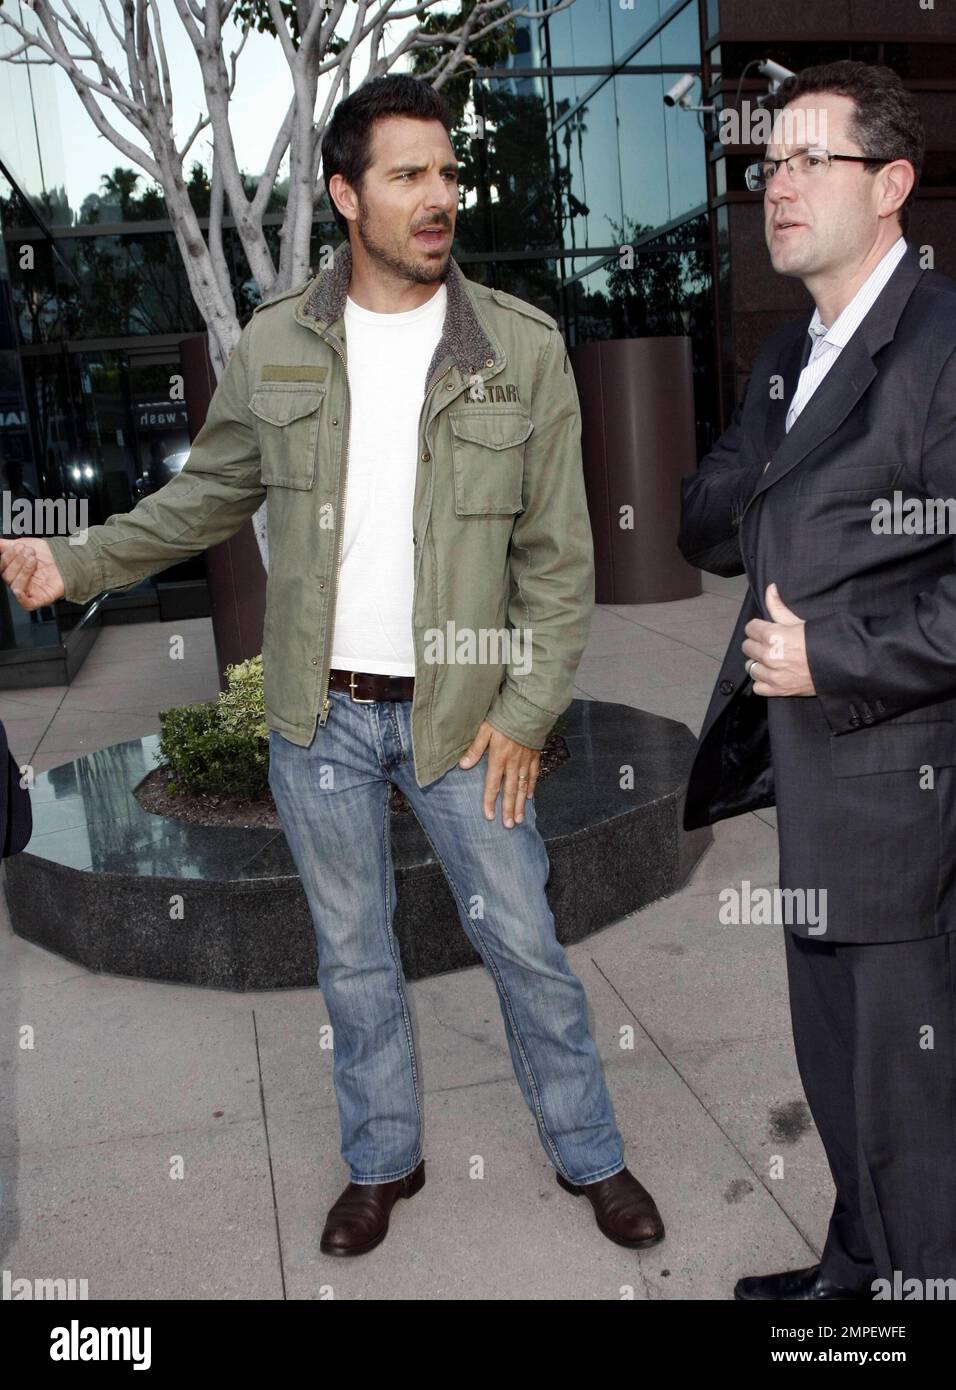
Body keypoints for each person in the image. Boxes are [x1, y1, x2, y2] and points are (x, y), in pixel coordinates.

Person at [0, 74, 663, 1260]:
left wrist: (525, 712)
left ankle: (590, 1151)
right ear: (347, 196)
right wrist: (79, 560)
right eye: (408, 176)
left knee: (522, 940)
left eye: (448, 173)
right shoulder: (277, 344)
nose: (438, 197)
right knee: (353, 956)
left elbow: (558, 560)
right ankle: (381, 1157)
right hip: (318, 722)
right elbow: (206, 496)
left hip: (464, 718)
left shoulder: (517, 347)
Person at [679, 60, 956, 1300]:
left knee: (913, 1112)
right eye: (764, 164)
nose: (774, 187)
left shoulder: (939, 343)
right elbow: (699, 517)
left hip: (907, 801)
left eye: (806, 160)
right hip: (809, 791)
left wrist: (829, 653)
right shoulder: (790, 353)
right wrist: (769, 470)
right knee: (838, 1068)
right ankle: (854, 1269)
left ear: (888, 184)